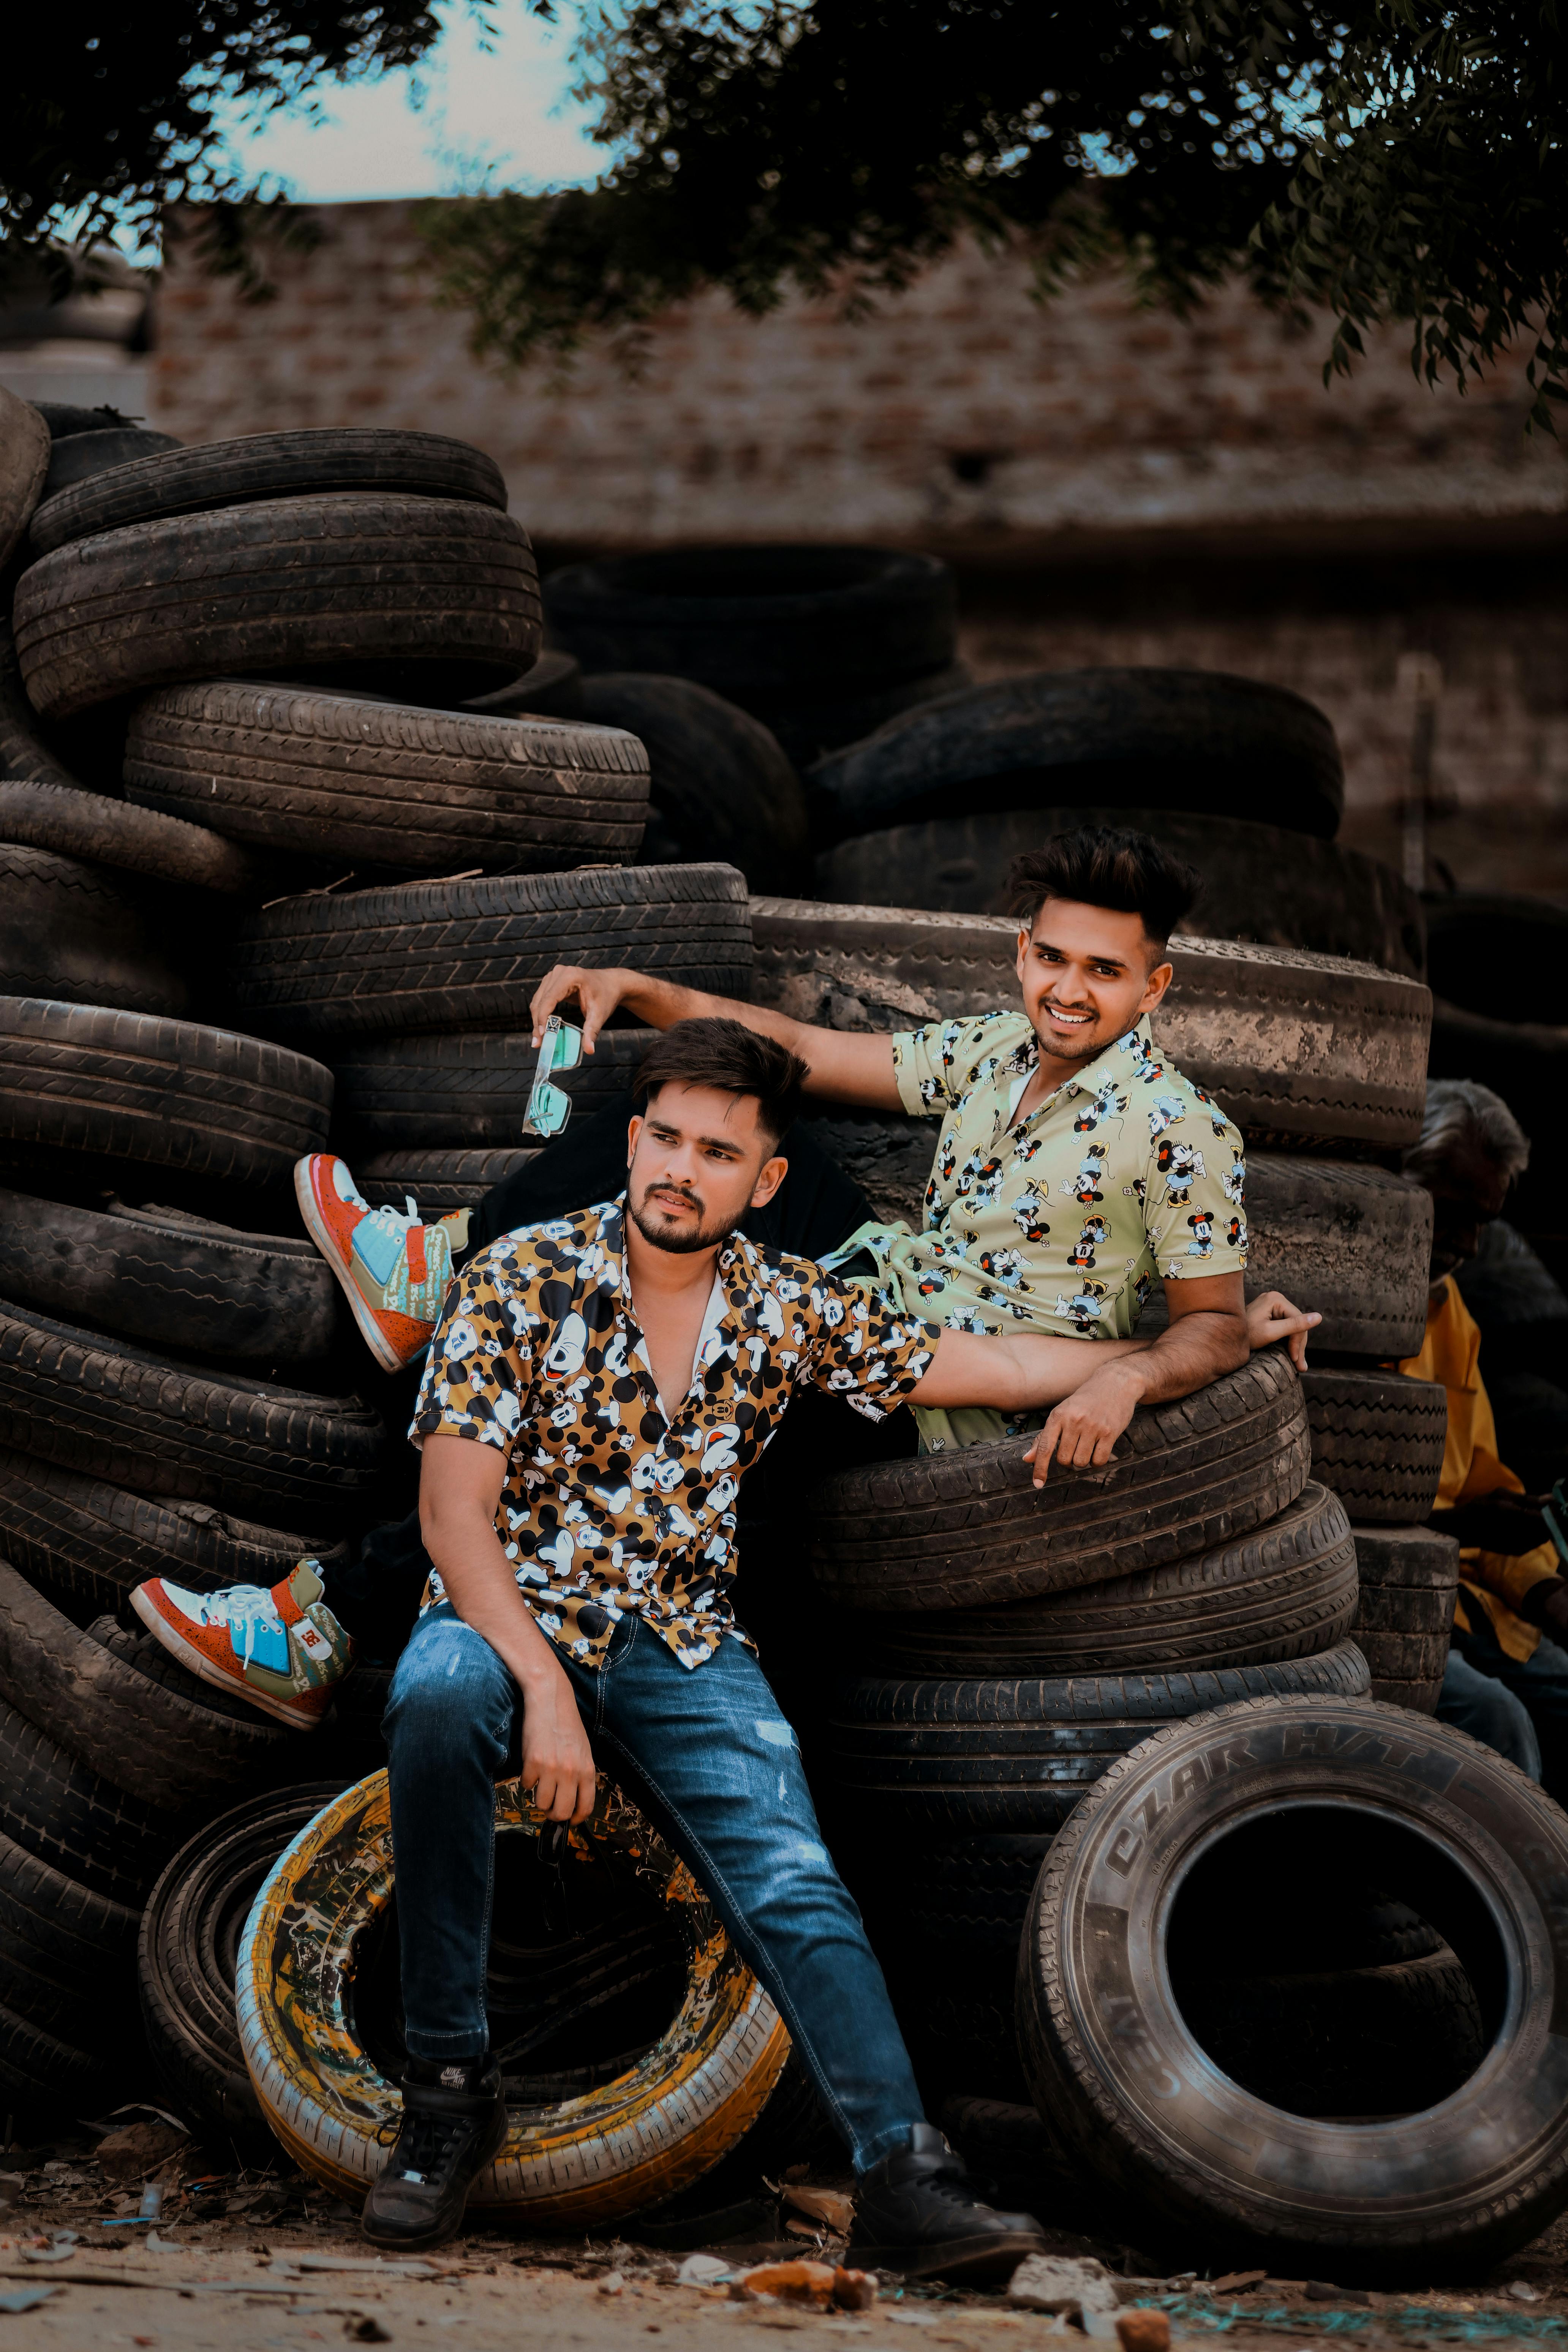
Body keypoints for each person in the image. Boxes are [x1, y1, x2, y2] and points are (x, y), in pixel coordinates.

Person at [318, 1018, 1304, 2259]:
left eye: (716, 1154)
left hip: (682, 1642)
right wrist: (545, 1692)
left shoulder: (785, 1305)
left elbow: (999, 1365)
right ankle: (447, 2095)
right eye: (666, 1140)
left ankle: (900, 2171)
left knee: (794, 1875)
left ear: (764, 1180)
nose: (680, 1171)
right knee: (438, 1696)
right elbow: (452, 1516)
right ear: (632, 1144)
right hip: (505, 1615)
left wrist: (1190, 1349)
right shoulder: (519, 1276)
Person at [132, 825, 1317, 1724]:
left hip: (931, 1394)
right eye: (1052, 957)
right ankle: (438, 1274)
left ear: (1155, 987)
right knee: (705, 1095)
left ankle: (323, 1622)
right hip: (870, 1290)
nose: (1067, 989)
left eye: (1104, 972)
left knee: (603, 1427)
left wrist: (1124, 1379)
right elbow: (800, 1050)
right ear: (1022, 952)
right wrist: (640, 993)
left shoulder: (1178, 1131)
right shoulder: (1000, 1049)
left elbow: (1210, 1326)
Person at [1400, 1081, 1568, 1789]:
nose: (1468, 1246)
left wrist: (1547, 1591)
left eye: (1483, 1224)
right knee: (1498, 1720)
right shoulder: (1323, 1315)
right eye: (1454, 1215)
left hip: (1468, 1603)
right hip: (1383, 1604)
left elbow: (1483, 1486)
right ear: (1401, 1182)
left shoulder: (1451, 1316)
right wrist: (1459, 1527)